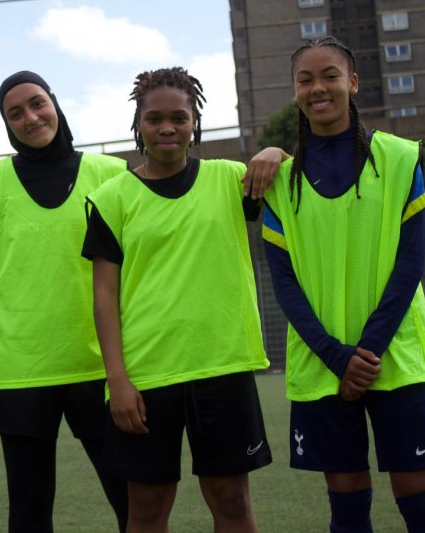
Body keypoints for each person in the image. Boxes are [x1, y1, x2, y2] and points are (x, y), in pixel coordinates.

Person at [261, 36, 425, 532]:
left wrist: (365, 352)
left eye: (329, 75)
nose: (317, 88)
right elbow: (283, 283)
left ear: (353, 82)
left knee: (419, 498)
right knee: (346, 505)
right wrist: (336, 356)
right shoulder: (281, 180)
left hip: (393, 357)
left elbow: (410, 264)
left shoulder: (400, 158)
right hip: (323, 365)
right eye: (305, 80)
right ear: (295, 92)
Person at [82, 67, 283, 532]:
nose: (167, 128)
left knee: (231, 502)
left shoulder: (233, 180)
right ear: (138, 125)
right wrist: (118, 381)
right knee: (148, 510)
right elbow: (103, 296)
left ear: (196, 123)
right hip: (147, 376)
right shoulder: (112, 198)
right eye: (154, 119)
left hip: (222, 366)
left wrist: (276, 149)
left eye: (179, 117)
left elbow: (294, 176)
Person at [0, 70, 130, 532]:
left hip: (101, 363)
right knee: (30, 506)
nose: (30, 117)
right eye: (14, 113)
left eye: (37, 103)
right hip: (20, 368)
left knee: (131, 498)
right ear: (5, 123)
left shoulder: (111, 174)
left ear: (54, 103)